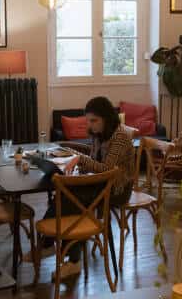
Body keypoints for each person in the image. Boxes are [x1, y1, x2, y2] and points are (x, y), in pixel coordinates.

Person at [50, 96, 134, 275]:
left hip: (118, 189)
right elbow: (95, 163)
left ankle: (56, 248)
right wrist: (79, 161)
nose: (90, 125)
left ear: (107, 118)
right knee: (68, 194)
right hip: (100, 184)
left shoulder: (120, 137)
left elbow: (107, 170)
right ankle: (66, 254)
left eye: (94, 120)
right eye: (88, 120)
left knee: (71, 198)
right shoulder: (99, 134)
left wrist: (81, 159)